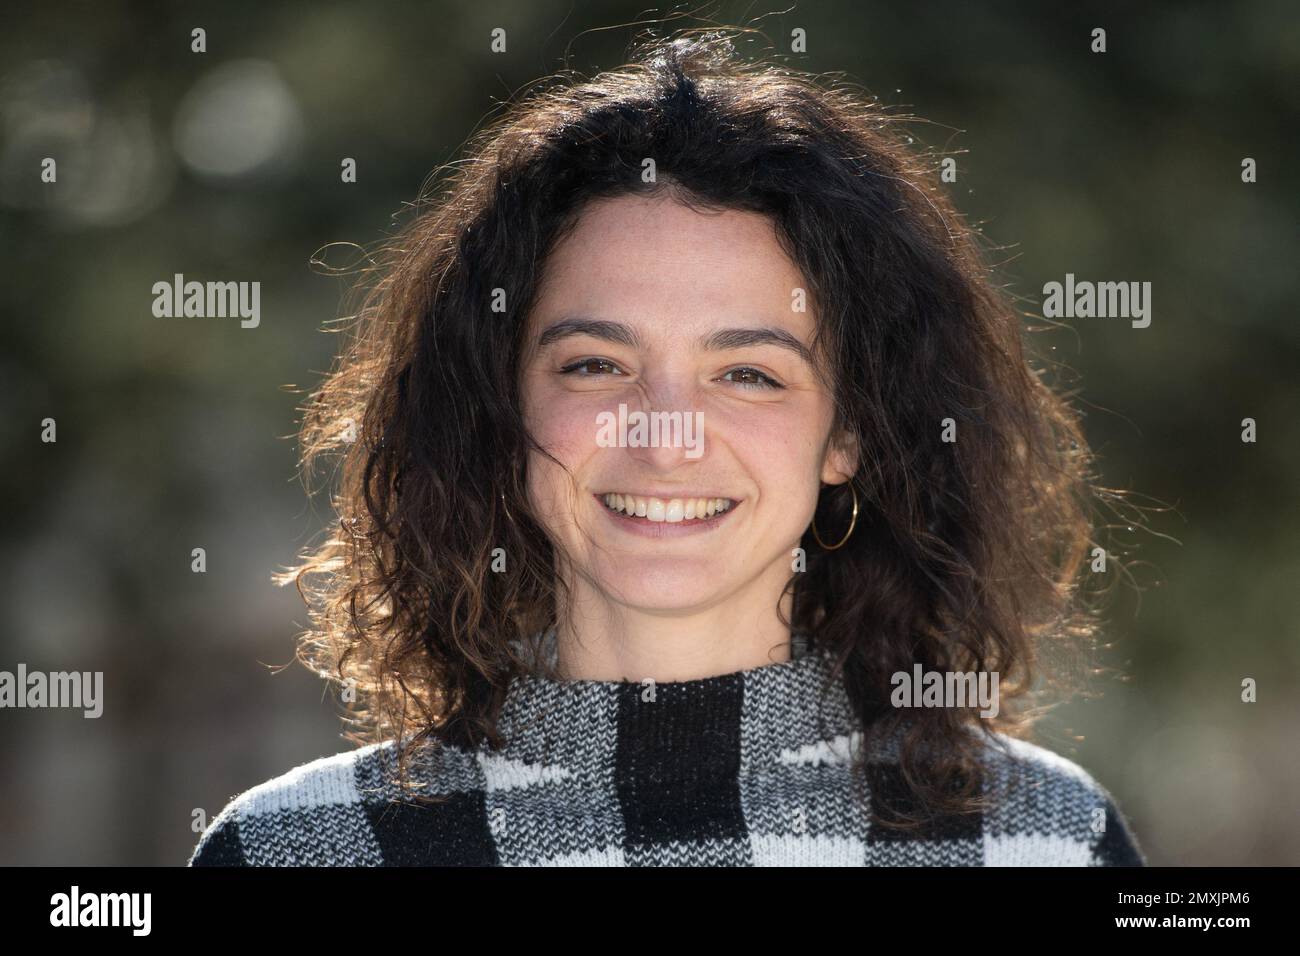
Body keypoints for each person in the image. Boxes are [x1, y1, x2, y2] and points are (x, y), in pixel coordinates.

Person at [189, 30, 1145, 866]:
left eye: (750, 374)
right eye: (598, 365)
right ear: (501, 405)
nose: (666, 434)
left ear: (848, 434)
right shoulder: (299, 852)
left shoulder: (1038, 841)